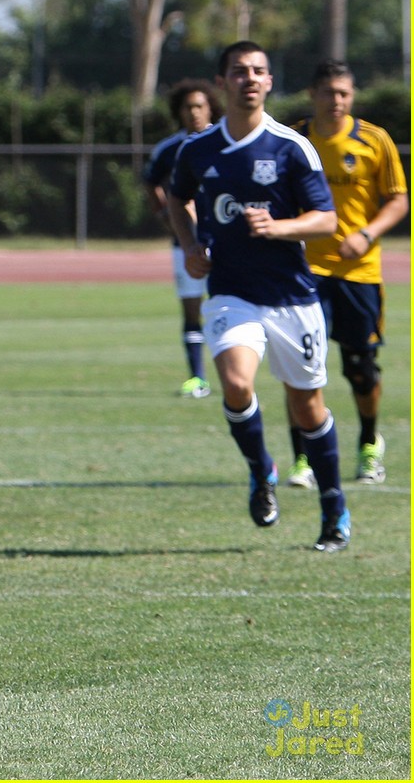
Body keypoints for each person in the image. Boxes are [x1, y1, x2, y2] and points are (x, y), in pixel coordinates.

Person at [166, 41, 350, 552]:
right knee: (235, 383)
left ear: (269, 82)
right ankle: (261, 470)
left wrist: (279, 227)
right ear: (221, 83)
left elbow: (326, 220)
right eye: (239, 71)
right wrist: (190, 245)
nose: (249, 78)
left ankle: (333, 507)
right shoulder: (198, 149)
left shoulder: (292, 147)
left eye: (258, 71)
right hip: (232, 293)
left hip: (293, 298)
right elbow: (177, 198)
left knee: (307, 407)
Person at [282, 60, 408, 489]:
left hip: (359, 272)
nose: (336, 101)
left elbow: (398, 199)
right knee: (301, 367)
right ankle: (303, 459)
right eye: (328, 93)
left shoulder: (374, 139)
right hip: (304, 271)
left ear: (352, 96)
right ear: (312, 95)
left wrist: (367, 233)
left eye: (344, 93)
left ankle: (369, 444)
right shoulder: (294, 139)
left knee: (361, 368)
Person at [142, 79, 224, 399]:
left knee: (228, 307)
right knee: (192, 310)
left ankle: (234, 377)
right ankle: (197, 378)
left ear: (210, 108)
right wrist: (165, 214)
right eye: (187, 107)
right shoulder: (170, 149)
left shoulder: (227, 141)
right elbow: (150, 181)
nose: (194, 113)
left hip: (225, 241)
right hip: (186, 243)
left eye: (199, 106)